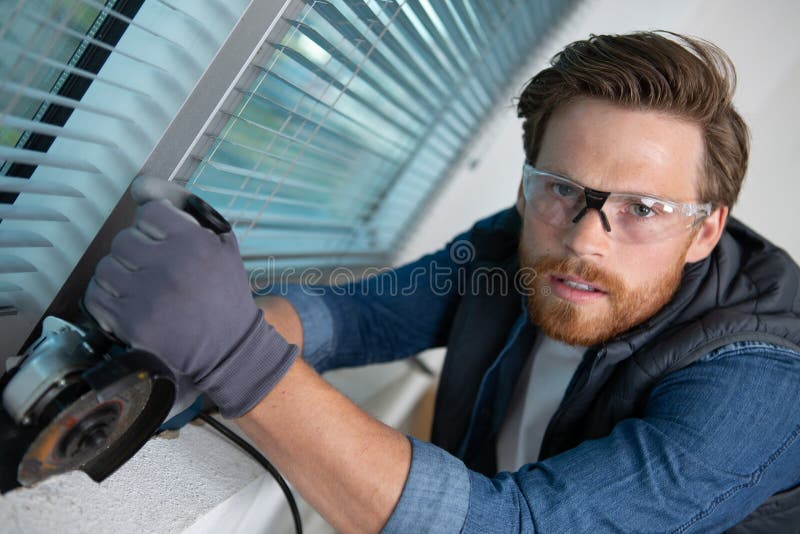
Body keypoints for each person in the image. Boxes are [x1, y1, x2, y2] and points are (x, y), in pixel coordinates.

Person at [85, 31, 800, 533]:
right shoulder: (509, 243)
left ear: (706, 229)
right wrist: (169, 358)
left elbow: (515, 527)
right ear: (527, 188)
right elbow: (353, 317)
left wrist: (234, 354)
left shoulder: (759, 386)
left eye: (643, 209)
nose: (584, 238)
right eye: (560, 189)